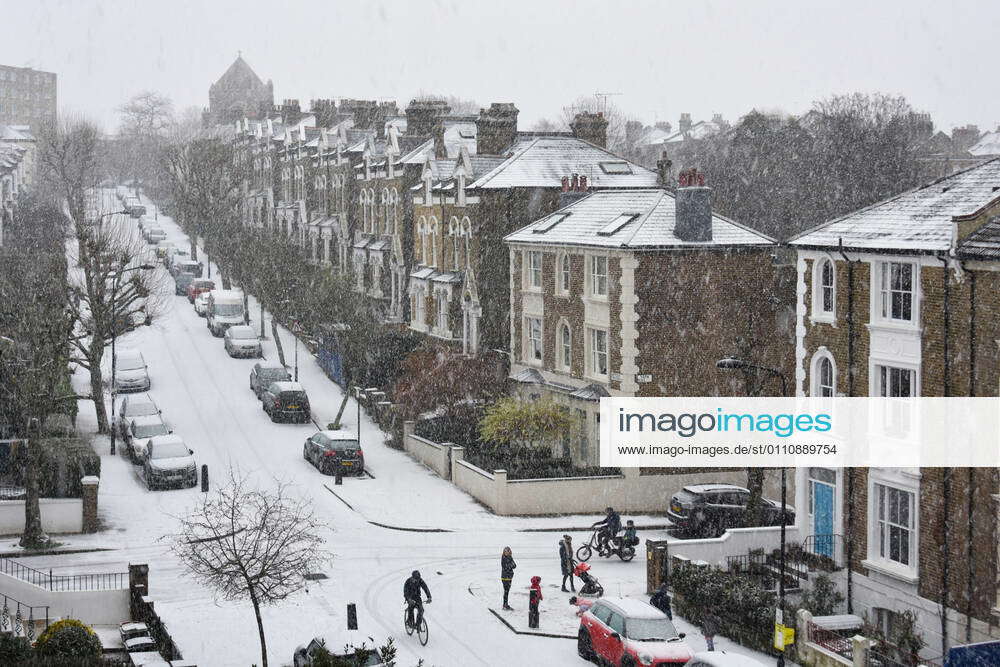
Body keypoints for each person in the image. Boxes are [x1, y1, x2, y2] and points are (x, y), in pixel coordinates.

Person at [500, 546, 516, 610]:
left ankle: (505, 604)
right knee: (506, 591)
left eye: (508, 551)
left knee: (507, 592)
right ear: (504, 552)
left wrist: (510, 566)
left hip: (509, 577)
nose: (507, 553)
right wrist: (510, 566)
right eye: (506, 551)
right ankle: (505, 605)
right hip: (505, 577)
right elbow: (505, 567)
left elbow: (514, 565)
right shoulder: (503, 558)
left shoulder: (510, 557)